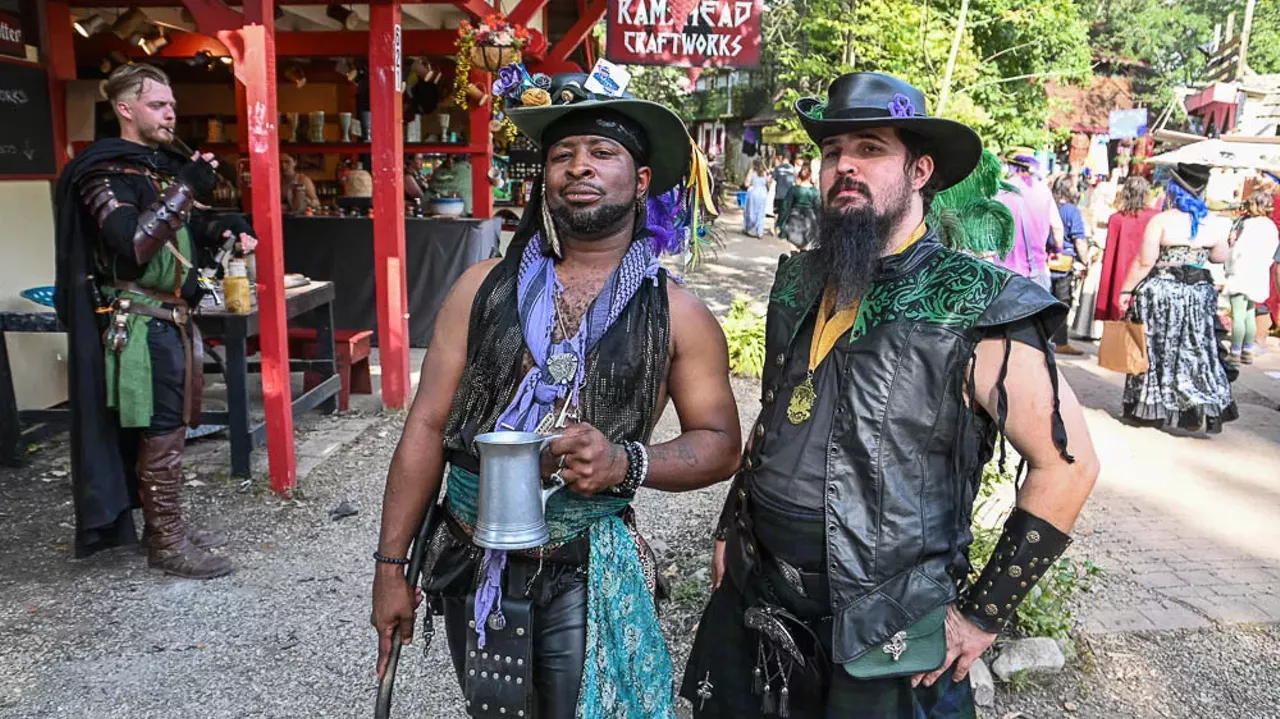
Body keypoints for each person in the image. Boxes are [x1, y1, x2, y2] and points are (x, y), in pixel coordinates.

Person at [682, 72, 1099, 719]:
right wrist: (730, 527)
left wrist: (981, 616)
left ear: (920, 170)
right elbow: (777, 416)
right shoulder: (799, 281)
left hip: (890, 621)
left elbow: (1068, 465)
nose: (844, 166)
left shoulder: (975, 300)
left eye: (870, 148)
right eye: (832, 152)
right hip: (759, 590)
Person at [370, 73, 741, 718]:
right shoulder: (481, 288)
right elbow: (427, 426)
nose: (578, 166)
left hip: (586, 568)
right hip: (467, 559)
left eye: (602, 152)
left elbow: (721, 444)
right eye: (562, 154)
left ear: (642, 180)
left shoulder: (678, 315)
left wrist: (625, 462)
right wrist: (390, 568)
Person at [53, 63, 256, 575]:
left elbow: (179, 231)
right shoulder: (101, 173)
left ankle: (164, 529)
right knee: (160, 429)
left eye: (171, 105)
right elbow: (134, 243)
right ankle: (166, 543)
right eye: (158, 105)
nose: (170, 114)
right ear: (125, 109)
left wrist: (221, 225)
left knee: (168, 427)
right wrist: (185, 187)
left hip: (170, 317)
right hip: (139, 320)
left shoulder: (156, 169)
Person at [1117, 163, 1237, 433]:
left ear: (1174, 188)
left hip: (1163, 293)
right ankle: (1192, 409)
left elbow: (1144, 262)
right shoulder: (1213, 222)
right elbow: (1219, 257)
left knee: (1157, 349)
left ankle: (1151, 409)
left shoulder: (1162, 220)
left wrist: (1126, 291)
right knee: (1196, 351)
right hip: (1198, 295)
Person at [994, 148, 1064, 290]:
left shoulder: (1000, 191)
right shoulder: (1044, 191)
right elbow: (1057, 227)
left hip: (1003, 275)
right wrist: (1057, 250)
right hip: (1035, 273)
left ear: (1012, 166)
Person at [1224, 191, 1279, 364]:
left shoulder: (1250, 225)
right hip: (1259, 274)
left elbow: (1237, 250)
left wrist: (1228, 266)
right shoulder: (1271, 226)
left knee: (1238, 315)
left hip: (1242, 273)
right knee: (1249, 313)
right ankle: (1247, 349)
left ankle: (1235, 351)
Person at [1095, 176, 1156, 322]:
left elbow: (1109, 259)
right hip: (1146, 274)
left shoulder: (1116, 219)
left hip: (1121, 276)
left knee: (1120, 320)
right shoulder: (1155, 217)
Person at [1050, 175, 1089, 355]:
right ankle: (1060, 341)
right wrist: (1085, 260)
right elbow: (1078, 239)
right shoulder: (1071, 211)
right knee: (1062, 302)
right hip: (1064, 262)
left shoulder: (1050, 206)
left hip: (1045, 259)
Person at [776, 162, 819, 249]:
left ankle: (794, 256)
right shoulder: (815, 192)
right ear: (810, 175)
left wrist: (780, 223)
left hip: (794, 219)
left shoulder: (794, 190)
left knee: (793, 245)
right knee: (806, 246)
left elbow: (785, 207)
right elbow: (818, 209)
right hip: (809, 220)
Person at [743, 159, 771, 237]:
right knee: (761, 213)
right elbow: (768, 185)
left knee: (751, 212)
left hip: (753, 192)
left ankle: (750, 230)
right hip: (763, 193)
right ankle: (760, 232)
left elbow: (746, 184)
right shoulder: (765, 173)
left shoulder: (752, 172)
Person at [772, 154, 797, 219]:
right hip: (789, 195)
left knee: (777, 213)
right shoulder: (793, 169)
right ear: (790, 159)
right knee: (787, 214)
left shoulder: (777, 168)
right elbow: (795, 181)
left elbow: (774, 178)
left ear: (782, 158)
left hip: (779, 194)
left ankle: (776, 224)